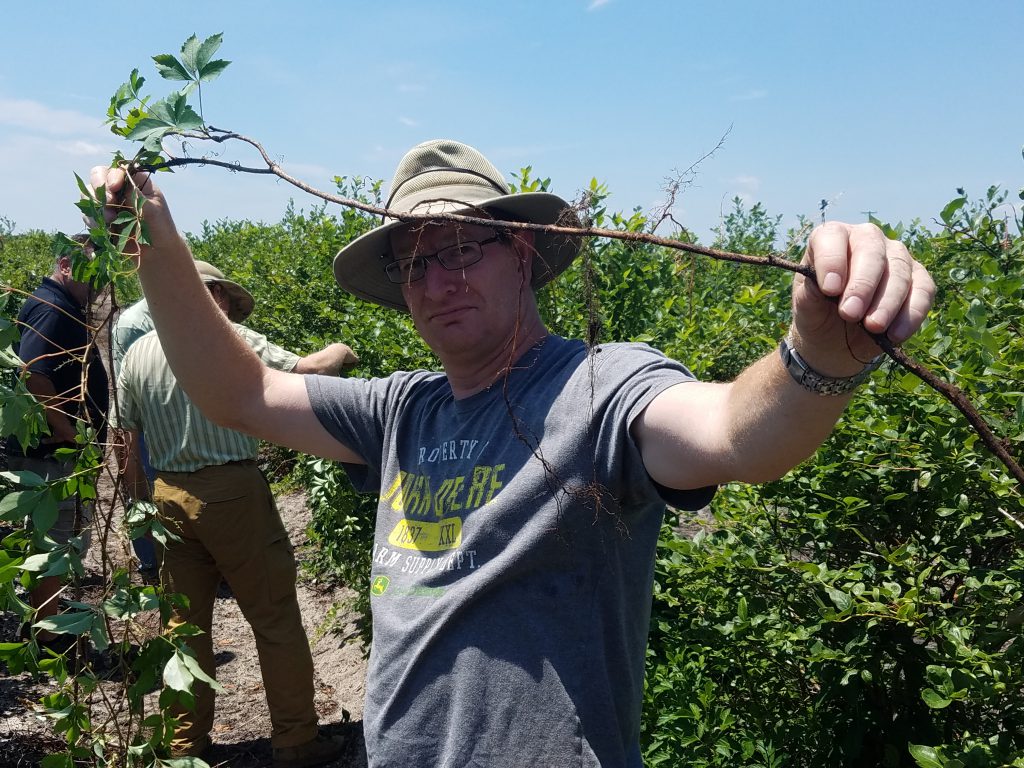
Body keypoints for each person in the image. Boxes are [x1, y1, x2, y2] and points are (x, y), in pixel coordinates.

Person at [90, 139, 936, 768]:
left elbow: (735, 436)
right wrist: (153, 239)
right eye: (415, 263)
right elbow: (239, 394)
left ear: (522, 251)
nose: (437, 281)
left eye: (461, 248)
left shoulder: (600, 389)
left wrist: (816, 359)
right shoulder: (400, 410)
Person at [109, 259, 358, 765]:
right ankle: (296, 741)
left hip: (168, 497)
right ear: (215, 298)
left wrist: (142, 503)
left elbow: (122, 437)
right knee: (274, 619)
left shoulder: (137, 353)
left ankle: (186, 746)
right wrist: (341, 349)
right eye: (222, 296)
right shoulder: (234, 341)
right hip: (233, 493)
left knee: (183, 630)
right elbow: (312, 370)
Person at [6, 235, 108, 653]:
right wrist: (67, 430)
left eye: (102, 278)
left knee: (57, 544)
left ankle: (50, 626)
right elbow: (33, 371)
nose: (98, 286)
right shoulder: (51, 308)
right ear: (65, 265)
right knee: (55, 546)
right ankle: (51, 641)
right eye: (91, 275)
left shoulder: (56, 304)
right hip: (51, 458)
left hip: (53, 456)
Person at [110, 296, 158, 577]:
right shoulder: (134, 324)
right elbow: (127, 403)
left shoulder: (175, 312)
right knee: (143, 493)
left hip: (165, 426)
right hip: (145, 429)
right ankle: (153, 565)